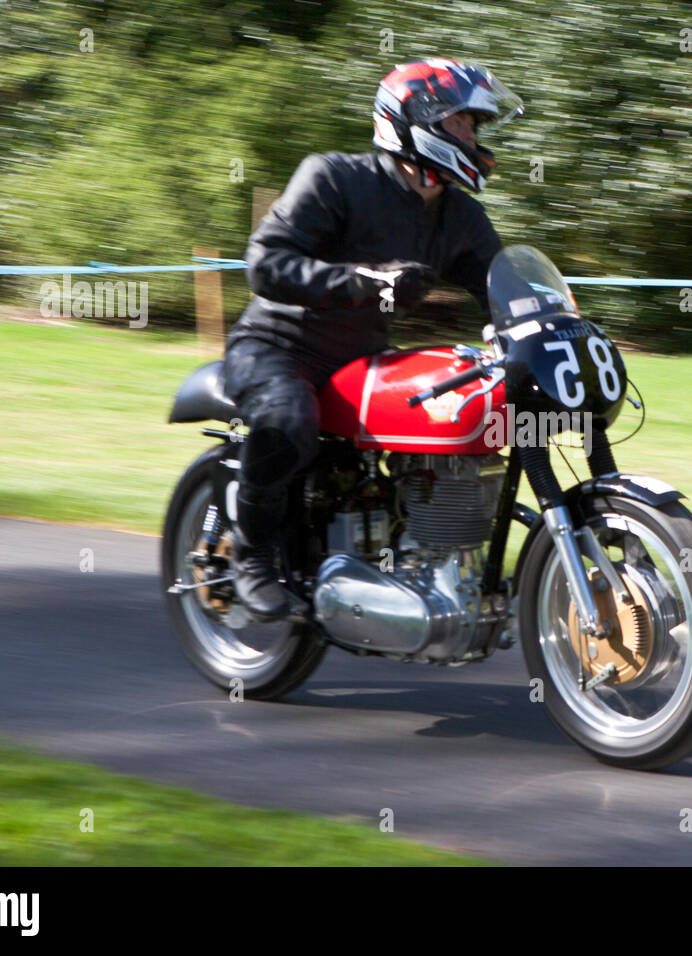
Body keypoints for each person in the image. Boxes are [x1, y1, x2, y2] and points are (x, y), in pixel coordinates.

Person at [221, 59, 523, 621]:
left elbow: (502, 282)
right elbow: (265, 265)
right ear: (414, 122)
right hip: (276, 347)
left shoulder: (458, 215)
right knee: (287, 418)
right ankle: (251, 556)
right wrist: (361, 282)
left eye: (475, 126)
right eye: (461, 123)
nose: (472, 137)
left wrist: (551, 323)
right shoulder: (334, 177)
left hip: (363, 365)